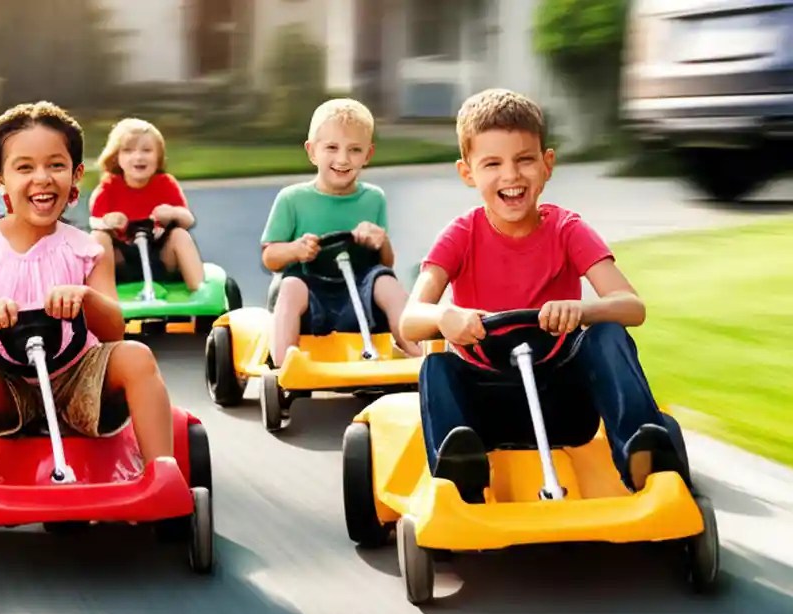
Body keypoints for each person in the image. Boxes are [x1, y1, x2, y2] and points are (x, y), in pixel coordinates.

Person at [399, 87, 689, 503]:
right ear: (468, 173)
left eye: (524, 160)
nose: (511, 176)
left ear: (547, 164)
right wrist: (447, 316)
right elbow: (411, 319)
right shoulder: (460, 235)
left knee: (608, 335)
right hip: (489, 406)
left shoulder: (567, 230)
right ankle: (460, 471)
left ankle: (644, 456)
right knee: (437, 367)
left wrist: (584, 310)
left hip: (564, 402)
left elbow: (633, 307)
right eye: (492, 164)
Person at [0, 101, 176, 484]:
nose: (42, 178)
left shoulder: (88, 247)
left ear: (76, 175)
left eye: (56, 166)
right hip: (5, 386)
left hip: (79, 378)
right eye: (24, 167)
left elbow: (113, 329)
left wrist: (85, 299)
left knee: (137, 356)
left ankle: (162, 476)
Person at [260, 98, 421, 368]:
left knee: (386, 282)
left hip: (359, 290)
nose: (343, 159)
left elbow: (386, 263)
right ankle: (285, 364)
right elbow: (270, 257)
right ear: (312, 152)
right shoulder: (292, 199)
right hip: (310, 292)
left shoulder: (373, 199)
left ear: (368, 155)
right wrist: (295, 249)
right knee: (290, 285)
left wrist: (380, 240)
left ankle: (416, 353)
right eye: (332, 148)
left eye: (354, 150)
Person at [88, 118, 205, 291]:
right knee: (98, 238)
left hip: (160, 257)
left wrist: (172, 213)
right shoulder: (108, 187)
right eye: (128, 151)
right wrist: (108, 222)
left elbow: (188, 220)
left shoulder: (166, 184)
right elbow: (94, 222)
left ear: (158, 157)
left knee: (180, 235)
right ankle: (102, 294)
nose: (138, 157)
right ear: (116, 157)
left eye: (147, 150)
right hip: (122, 261)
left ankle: (200, 291)